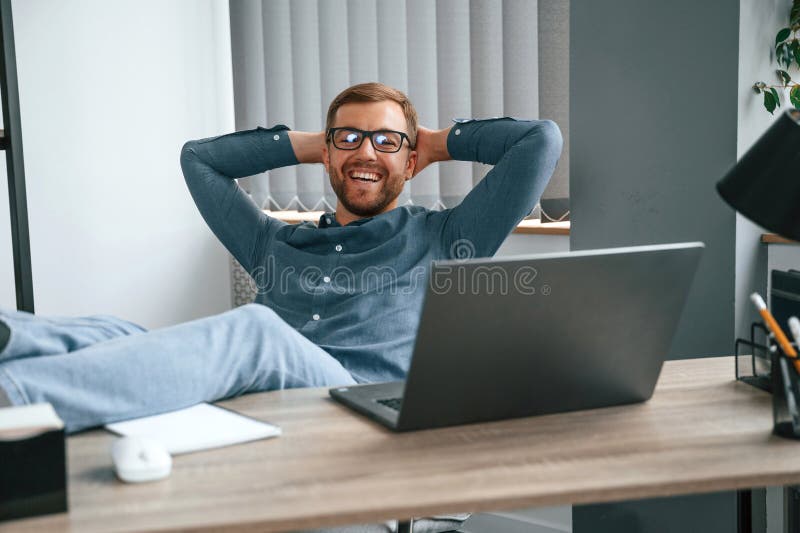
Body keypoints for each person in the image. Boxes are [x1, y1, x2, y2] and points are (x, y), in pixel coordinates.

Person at [0, 81, 560, 433]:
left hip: (352, 413)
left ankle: (14, 404)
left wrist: (429, 141)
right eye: (349, 140)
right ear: (325, 154)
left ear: (412, 164)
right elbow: (198, 160)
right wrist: (320, 141)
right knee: (115, 330)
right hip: (262, 408)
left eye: (386, 143)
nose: (366, 152)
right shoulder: (274, 243)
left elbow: (539, 140)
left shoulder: (446, 238)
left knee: (256, 330)